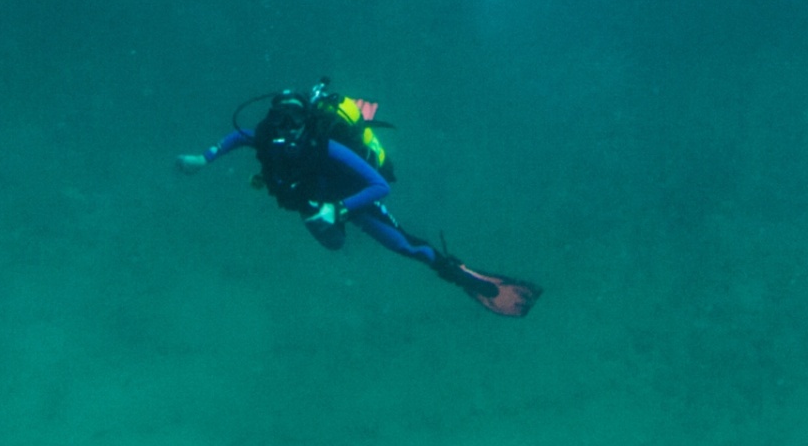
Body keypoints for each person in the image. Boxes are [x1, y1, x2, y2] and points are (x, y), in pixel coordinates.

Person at [177, 80, 540, 317]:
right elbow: (238, 137)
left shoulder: (326, 146)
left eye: (294, 119)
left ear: (306, 121)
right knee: (333, 244)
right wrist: (204, 158)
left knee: (403, 246)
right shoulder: (265, 136)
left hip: (350, 197)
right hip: (314, 205)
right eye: (279, 119)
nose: (285, 128)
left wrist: (340, 208)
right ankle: (334, 223)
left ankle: (456, 273)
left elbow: (380, 187)